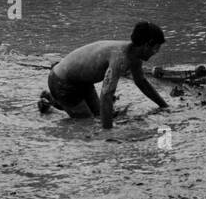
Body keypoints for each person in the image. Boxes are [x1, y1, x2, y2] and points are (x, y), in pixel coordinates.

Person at [39, 22, 169, 129]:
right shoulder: (120, 57)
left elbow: (142, 82)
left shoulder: (135, 56)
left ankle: (50, 99)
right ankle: (50, 105)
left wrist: (164, 106)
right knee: (87, 122)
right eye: (156, 48)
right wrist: (108, 132)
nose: (156, 52)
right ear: (147, 44)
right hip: (62, 82)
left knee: (98, 115)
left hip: (82, 81)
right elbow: (106, 95)